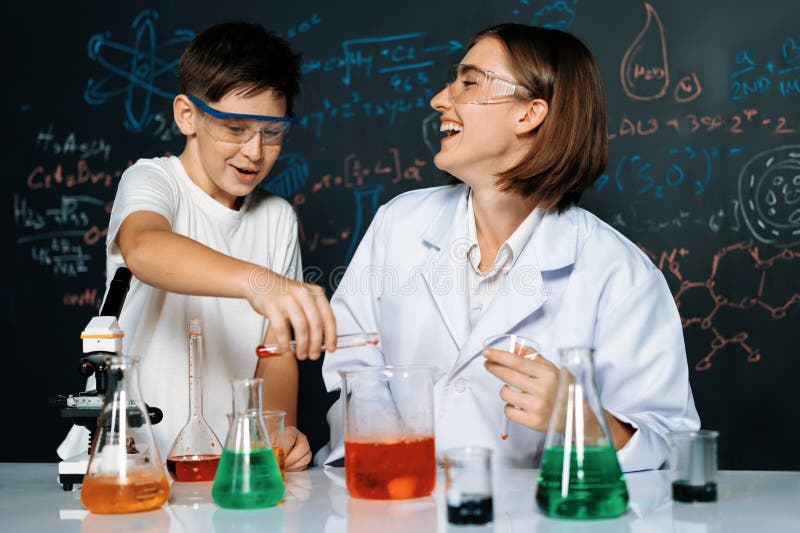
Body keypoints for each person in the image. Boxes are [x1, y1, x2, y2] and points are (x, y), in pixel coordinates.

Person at [321, 23, 699, 471]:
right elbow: (354, 361)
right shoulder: (399, 224)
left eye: (469, 82)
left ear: (529, 114)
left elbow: (674, 450)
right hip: (394, 503)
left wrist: (581, 419)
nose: (440, 100)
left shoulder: (620, 273)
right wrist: (394, 462)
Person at [58, 22, 337, 470]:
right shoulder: (154, 180)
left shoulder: (277, 217)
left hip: (222, 463)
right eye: (234, 127)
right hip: (129, 460)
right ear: (188, 115)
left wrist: (276, 429)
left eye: (273, 132)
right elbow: (146, 248)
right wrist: (259, 283)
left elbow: (276, 353)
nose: (253, 151)